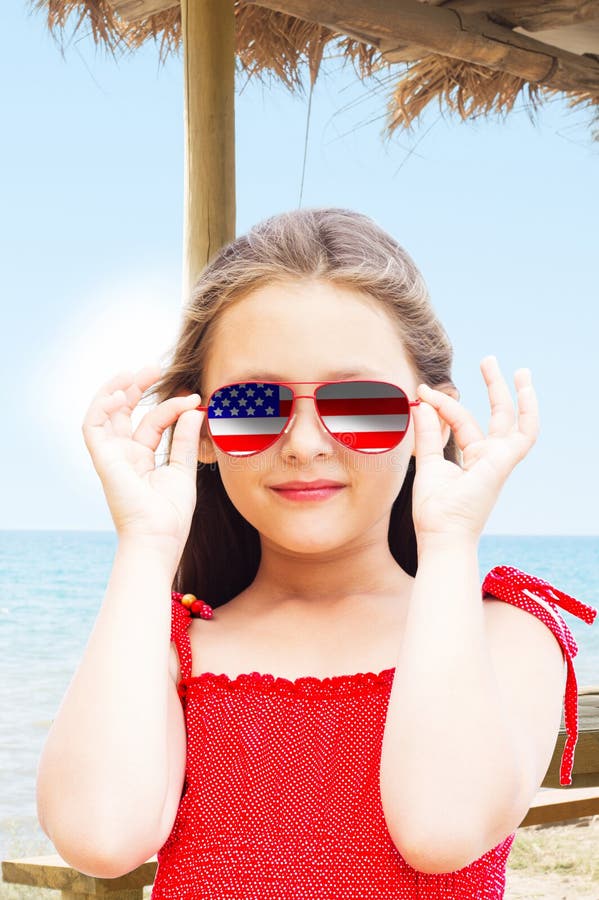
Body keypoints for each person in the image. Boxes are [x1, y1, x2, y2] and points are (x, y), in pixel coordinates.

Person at [36, 208, 596, 898]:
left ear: (429, 418)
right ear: (200, 428)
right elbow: (99, 838)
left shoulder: (506, 633)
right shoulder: (170, 647)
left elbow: (440, 831)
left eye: (359, 403)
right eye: (251, 405)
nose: (304, 442)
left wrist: (449, 539)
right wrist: (146, 547)